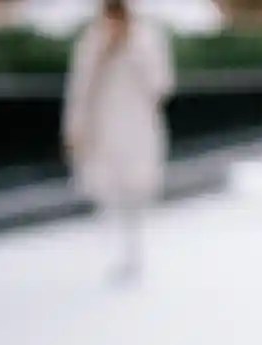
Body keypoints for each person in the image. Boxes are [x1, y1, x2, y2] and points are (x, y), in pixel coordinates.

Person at [63, 0, 173, 283]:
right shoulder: (91, 40)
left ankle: (131, 254)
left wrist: (131, 46)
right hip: (102, 128)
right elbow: (80, 88)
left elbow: (161, 84)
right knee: (105, 190)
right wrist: (74, 127)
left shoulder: (146, 38)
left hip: (136, 128)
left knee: (134, 190)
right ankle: (114, 255)